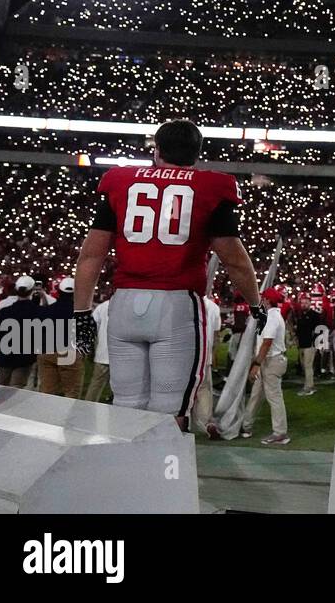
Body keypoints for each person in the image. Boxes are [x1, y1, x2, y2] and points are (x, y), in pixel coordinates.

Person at [70, 120, 265, 431]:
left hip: (123, 304)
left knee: (126, 403)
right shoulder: (209, 186)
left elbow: (91, 255)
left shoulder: (121, 181)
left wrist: (81, 312)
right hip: (176, 305)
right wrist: (256, 303)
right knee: (169, 409)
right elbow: (234, 260)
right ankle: (161, 476)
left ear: (156, 150)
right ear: (197, 153)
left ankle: (124, 476)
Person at [242, 287, 289, 445]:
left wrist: (256, 364)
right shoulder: (271, 315)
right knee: (256, 394)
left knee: (274, 397)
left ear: (268, 300)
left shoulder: (272, 317)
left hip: (271, 361)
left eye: (263, 298)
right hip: (269, 361)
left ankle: (280, 433)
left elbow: (267, 343)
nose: (261, 300)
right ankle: (246, 425)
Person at [38, 277, 85, 398]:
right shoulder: (80, 312)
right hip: (69, 352)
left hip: (47, 351)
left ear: (58, 291)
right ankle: (68, 417)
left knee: (47, 393)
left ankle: (45, 417)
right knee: (71, 393)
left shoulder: (48, 310)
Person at [192, 288, 223, 435]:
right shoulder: (214, 307)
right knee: (204, 390)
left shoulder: (186, 302)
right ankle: (206, 423)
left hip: (185, 356)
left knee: (182, 392)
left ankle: (181, 423)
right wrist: (213, 353)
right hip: (205, 355)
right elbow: (216, 336)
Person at [83, 289, 112, 402]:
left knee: (96, 385)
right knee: (123, 388)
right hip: (122, 356)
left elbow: (92, 328)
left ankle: (87, 409)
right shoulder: (128, 307)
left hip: (103, 353)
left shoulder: (103, 306)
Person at [294, 293, 324, 397]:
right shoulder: (301, 315)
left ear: (310, 303)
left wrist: (317, 344)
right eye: (302, 303)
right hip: (302, 344)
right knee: (304, 366)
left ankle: (309, 387)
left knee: (308, 366)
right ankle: (309, 384)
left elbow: (319, 330)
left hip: (310, 344)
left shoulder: (314, 315)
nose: (304, 305)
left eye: (306, 303)